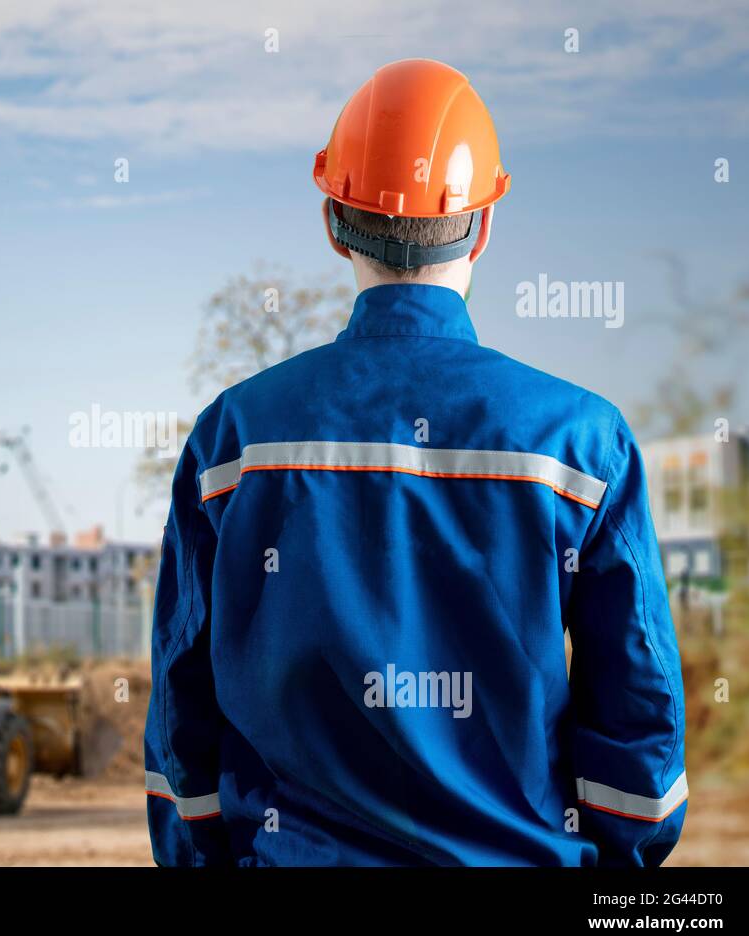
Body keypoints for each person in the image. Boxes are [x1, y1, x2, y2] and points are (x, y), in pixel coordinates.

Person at [144, 58, 686, 866]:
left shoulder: (233, 442)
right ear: (486, 224)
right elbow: (640, 717)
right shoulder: (582, 443)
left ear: (333, 220)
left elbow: (182, 712)